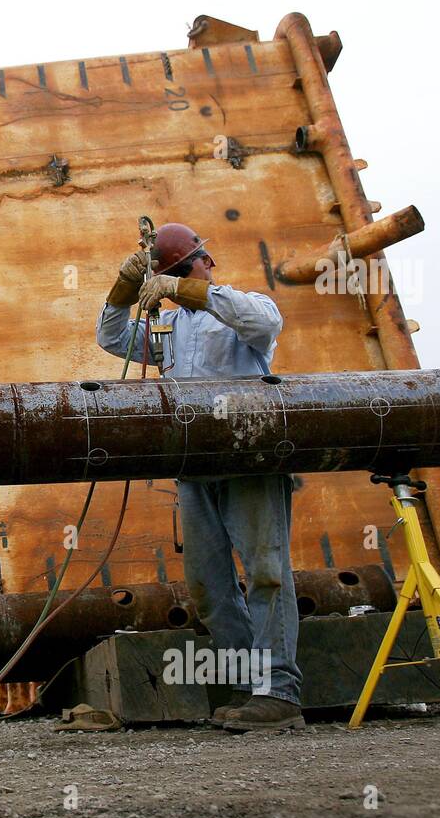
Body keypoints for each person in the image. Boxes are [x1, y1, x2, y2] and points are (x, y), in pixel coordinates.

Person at [95, 222, 304, 731]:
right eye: (169, 276)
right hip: (195, 467)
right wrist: (125, 288)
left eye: (184, 270)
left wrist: (188, 289)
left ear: (205, 261)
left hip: (250, 457)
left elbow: (262, 322)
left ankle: (279, 691)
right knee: (209, 584)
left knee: (266, 571)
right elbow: (112, 337)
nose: (178, 282)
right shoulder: (171, 330)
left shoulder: (241, 311)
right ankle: (246, 687)